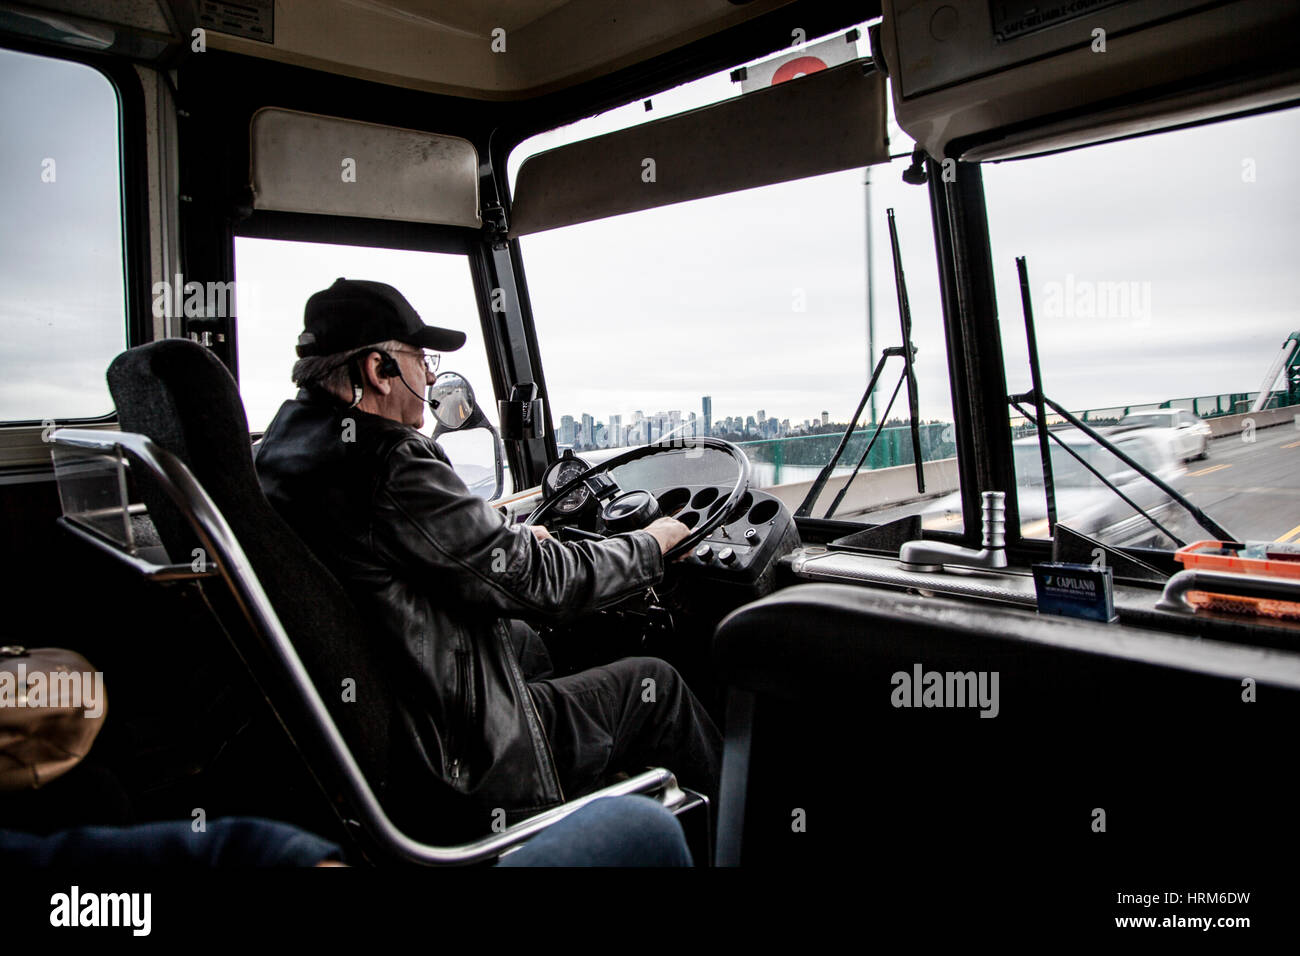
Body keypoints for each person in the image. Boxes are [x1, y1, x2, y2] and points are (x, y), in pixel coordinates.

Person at [253, 278, 721, 832]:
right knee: (658, 686)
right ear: (379, 370)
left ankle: (583, 800)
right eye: (421, 360)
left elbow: (402, 547)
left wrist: (510, 543)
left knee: (530, 646)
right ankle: (741, 839)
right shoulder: (389, 460)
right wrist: (653, 543)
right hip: (459, 757)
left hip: (387, 720)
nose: (430, 376)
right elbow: (549, 585)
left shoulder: (279, 453)